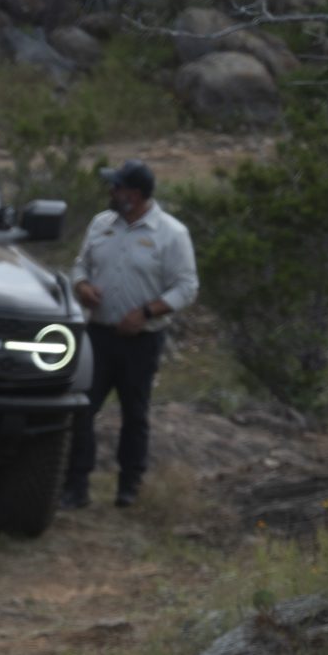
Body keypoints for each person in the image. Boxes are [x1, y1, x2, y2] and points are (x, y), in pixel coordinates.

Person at [63, 158, 199, 510]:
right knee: (81, 410)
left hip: (142, 340)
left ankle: (129, 486)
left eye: (117, 186)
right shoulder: (101, 224)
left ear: (135, 195)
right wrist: (81, 284)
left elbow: (186, 287)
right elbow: (81, 262)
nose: (111, 191)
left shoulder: (171, 234)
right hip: (98, 334)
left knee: (134, 414)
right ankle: (76, 486)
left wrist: (146, 312)